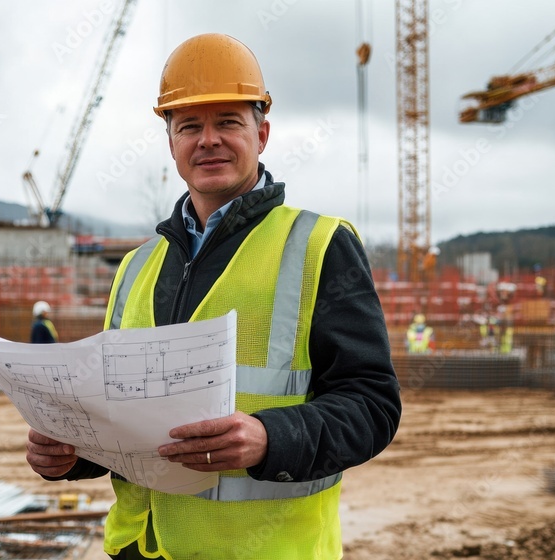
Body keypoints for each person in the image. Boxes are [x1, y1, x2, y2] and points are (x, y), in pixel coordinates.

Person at [25, 33, 401, 559]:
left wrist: (271, 438)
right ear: (171, 142)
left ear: (262, 134)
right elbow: (117, 420)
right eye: (190, 126)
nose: (208, 140)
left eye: (228, 121)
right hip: (139, 548)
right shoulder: (136, 267)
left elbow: (372, 406)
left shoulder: (320, 246)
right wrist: (70, 455)